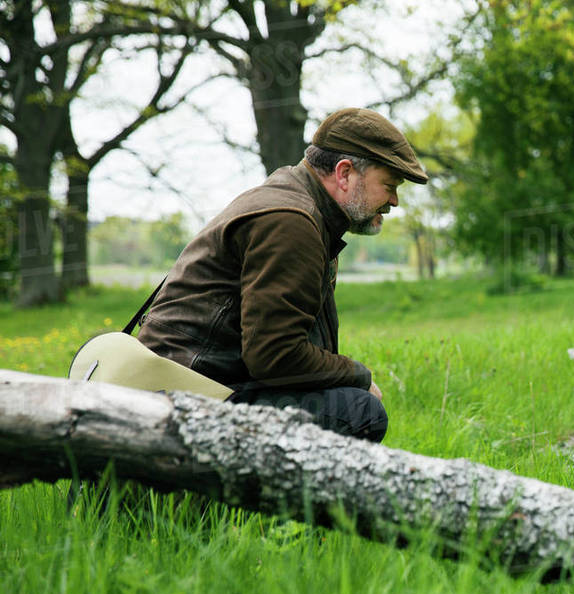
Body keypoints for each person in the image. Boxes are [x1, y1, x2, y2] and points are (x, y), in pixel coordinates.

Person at [136, 108, 428, 442]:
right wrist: (358, 375)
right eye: (389, 185)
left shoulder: (292, 203)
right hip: (181, 398)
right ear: (344, 173)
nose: (394, 201)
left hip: (187, 385)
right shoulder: (292, 222)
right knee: (359, 411)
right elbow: (275, 356)